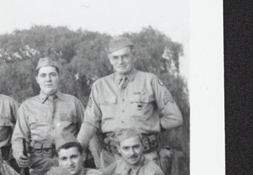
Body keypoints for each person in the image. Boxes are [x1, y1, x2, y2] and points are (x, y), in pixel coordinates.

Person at [76, 35, 185, 168]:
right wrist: (75, 149)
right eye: (115, 57)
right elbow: (89, 123)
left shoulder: (151, 81)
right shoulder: (100, 86)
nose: (120, 61)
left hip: (145, 159)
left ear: (134, 55)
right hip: (112, 161)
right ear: (110, 59)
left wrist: (152, 125)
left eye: (125, 56)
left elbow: (175, 118)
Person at [12, 57, 88, 175]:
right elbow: (18, 136)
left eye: (52, 74)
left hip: (68, 162)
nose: (48, 79)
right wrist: (19, 154)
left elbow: (87, 131)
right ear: (37, 79)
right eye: (43, 75)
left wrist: (94, 162)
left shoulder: (73, 102)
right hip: (39, 163)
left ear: (59, 77)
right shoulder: (27, 106)